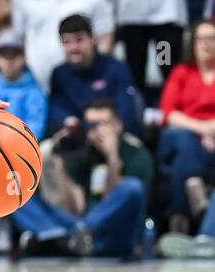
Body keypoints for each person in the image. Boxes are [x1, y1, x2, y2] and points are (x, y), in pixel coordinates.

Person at [13, 97, 151, 258]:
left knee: (132, 187)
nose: (98, 131)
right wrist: (59, 159)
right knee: (15, 192)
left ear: (118, 125)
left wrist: (112, 156)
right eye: (92, 125)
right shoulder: (85, 153)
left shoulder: (136, 153)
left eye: (104, 124)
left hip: (116, 234)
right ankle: (58, 236)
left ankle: (57, 238)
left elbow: (119, 205)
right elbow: (73, 208)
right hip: (81, 233)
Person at [154, 18, 215, 235]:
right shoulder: (182, 71)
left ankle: (178, 220)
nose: (206, 44)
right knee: (183, 137)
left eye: (211, 39)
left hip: (211, 142)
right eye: (201, 39)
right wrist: (202, 129)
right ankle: (194, 193)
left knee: (183, 160)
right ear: (193, 43)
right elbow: (168, 113)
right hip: (182, 135)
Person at [48, 13, 140, 135]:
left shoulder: (115, 68)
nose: (74, 48)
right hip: (77, 136)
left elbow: (127, 110)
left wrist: (112, 124)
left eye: (79, 40)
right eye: (67, 42)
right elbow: (57, 109)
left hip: (116, 134)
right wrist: (78, 122)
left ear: (92, 39)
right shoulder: (59, 74)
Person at [0, 31, 47, 140]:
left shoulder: (35, 91)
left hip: (22, 148)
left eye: (14, 54)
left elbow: (35, 129)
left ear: (24, 57)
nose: (9, 61)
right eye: (4, 55)